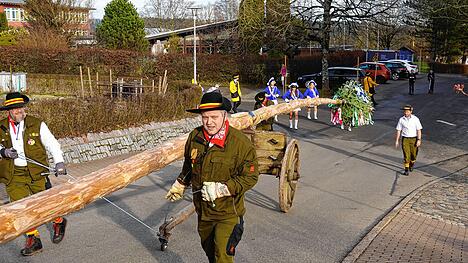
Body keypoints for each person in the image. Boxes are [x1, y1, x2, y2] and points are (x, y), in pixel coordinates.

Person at [165, 91, 259, 263]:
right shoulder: (195, 136)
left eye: (214, 117)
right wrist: (180, 183)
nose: (209, 122)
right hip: (204, 212)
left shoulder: (240, 143)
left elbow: (250, 177)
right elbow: (189, 165)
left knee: (222, 256)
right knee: (211, 254)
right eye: (205, 117)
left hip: (228, 213)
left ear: (225, 116)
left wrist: (223, 189)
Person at [0, 92, 68, 256]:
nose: (20, 111)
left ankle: (58, 221)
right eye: (16, 109)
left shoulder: (37, 124)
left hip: (37, 172)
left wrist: (59, 162)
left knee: (46, 203)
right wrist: (3, 151)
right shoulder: (0, 126)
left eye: (22, 108)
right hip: (13, 174)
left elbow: (52, 144)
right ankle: (33, 239)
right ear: (8, 110)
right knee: (21, 208)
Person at [395, 105, 423, 176]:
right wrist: (397, 140)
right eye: (405, 111)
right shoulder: (401, 119)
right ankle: (406, 169)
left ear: (411, 111)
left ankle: (411, 164)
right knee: (406, 155)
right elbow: (399, 130)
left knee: (413, 155)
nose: (406, 113)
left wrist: (419, 140)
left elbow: (419, 130)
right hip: (405, 139)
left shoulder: (415, 119)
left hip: (414, 139)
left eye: (407, 111)